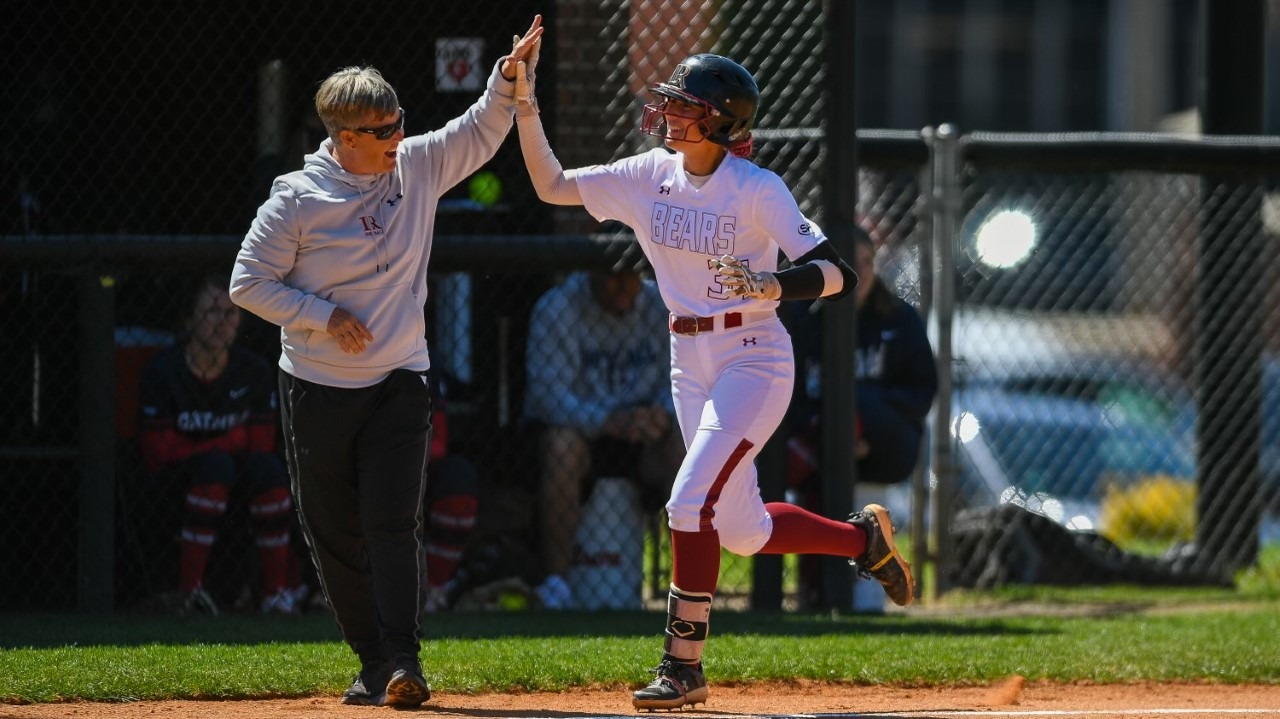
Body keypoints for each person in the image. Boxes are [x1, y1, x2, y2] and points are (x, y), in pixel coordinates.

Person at [511, 49, 914, 710]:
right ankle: (861, 539)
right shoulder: (649, 173)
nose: (668, 112)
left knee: (687, 502)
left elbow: (836, 273)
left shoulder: (756, 187)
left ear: (722, 122)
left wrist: (771, 284)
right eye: (670, 101)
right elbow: (551, 185)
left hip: (753, 355)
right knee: (744, 531)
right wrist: (524, 105)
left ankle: (683, 667)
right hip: (687, 355)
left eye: (685, 106)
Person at [229, 16, 545, 709]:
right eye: (383, 129)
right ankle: (373, 661)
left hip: (401, 377)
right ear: (345, 138)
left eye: (400, 120)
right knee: (333, 530)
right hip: (317, 386)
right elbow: (247, 283)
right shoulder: (297, 199)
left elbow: (478, 131)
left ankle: (404, 661)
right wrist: (322, 315)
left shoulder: (416, 165)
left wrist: (507, 76)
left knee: (393, 522)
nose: (399, 135)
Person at [784, 226, 939, 607]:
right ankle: (816, 592)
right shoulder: (804, 317)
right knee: (824, 421)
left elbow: (922, 391)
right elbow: (789, 395)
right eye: (853, 263)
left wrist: (867, 428)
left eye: (869, 261)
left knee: (856, 398)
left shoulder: (899, 318)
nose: (863, 272)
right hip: (818, 441)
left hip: (883, 445)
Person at [523, 261, 684, 609]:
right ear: (592, 271)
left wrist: (661, 415)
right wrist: (608, 421)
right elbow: (547, 397)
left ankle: (688, 582)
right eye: (613, 274)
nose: (623, 284)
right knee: (560, 447)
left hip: (645, 436)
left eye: (631, 274)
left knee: (683, 447)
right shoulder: (557, 307)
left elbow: (684, 375)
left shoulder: (663, 305)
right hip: (585, 433)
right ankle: (557, 587)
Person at [137, 273, 295, 616]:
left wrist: (209, 447)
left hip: (235, 485)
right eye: (211, 311)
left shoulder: (253, 370)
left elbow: (260, 445)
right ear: (189, 319)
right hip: (173, 487)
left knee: (268, 469)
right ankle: (189, 593)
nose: (222, 322)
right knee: (216, 465)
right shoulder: (163, 371)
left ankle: (276, 594)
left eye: (230, 313)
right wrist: (227, 442)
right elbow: (157, 454)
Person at [419, 370, 480, 614]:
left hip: (410, 463)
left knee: (458, 477)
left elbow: (438, 441)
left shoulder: (420, 359)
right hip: (365, 464)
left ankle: (433, 587)